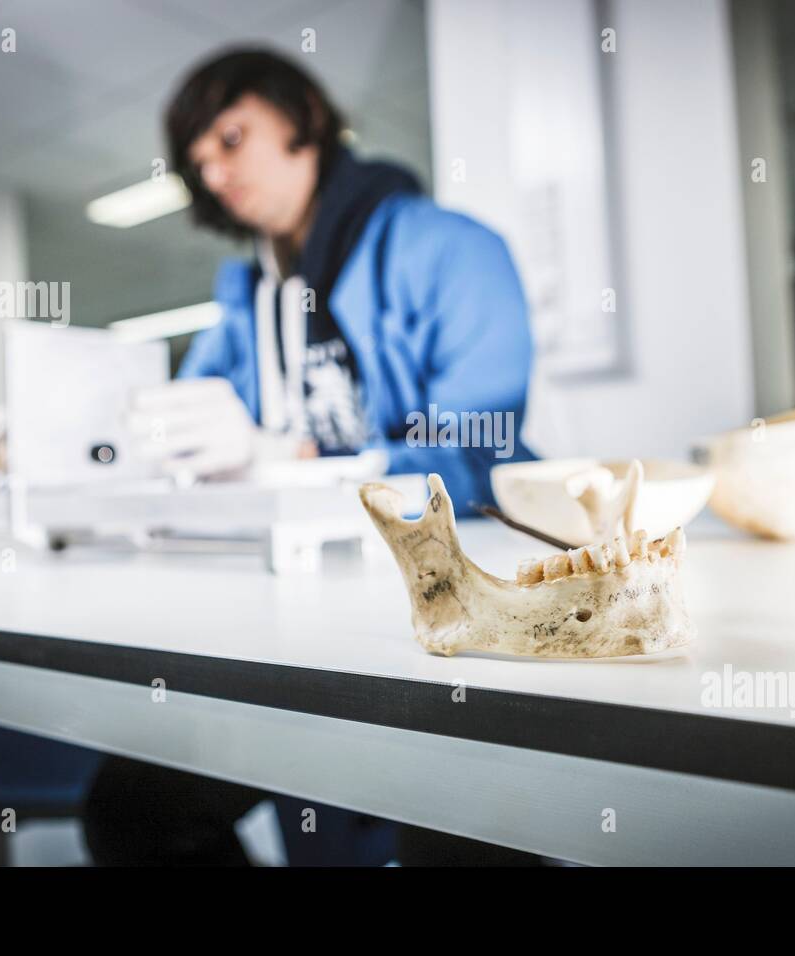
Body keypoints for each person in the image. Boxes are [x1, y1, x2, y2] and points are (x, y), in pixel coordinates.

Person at [81, 47, 541, 865]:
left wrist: (283, 459)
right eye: (198, 164)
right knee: (132, 811)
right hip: (293, 623)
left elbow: (483, 455)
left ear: (307, 120)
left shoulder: (449, 249)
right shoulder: (244, 302)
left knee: (467, 840)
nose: (215, 174)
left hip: (444, 629)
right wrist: (69, 431)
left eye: (232, 138)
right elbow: (174, 429)